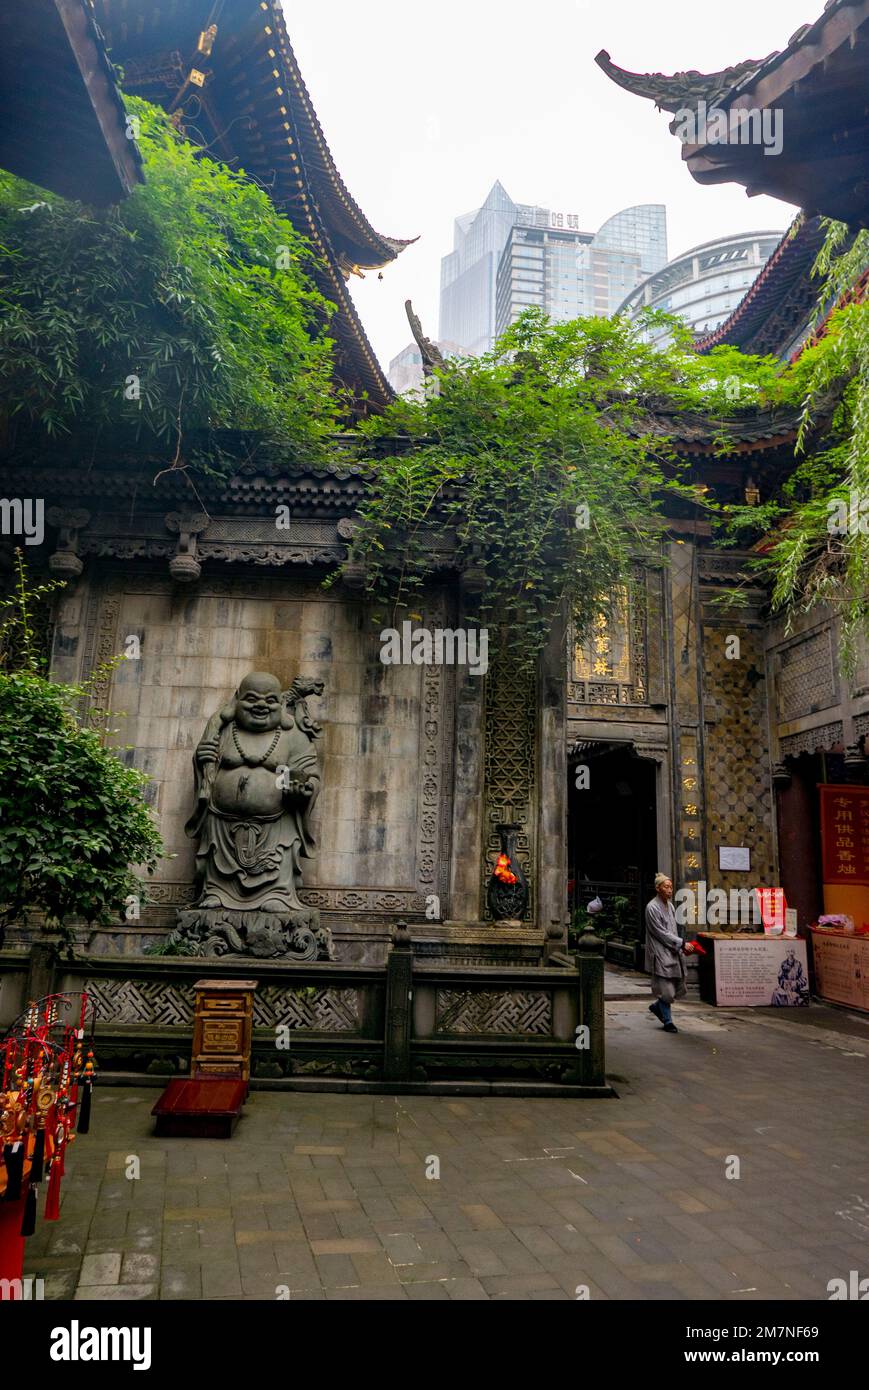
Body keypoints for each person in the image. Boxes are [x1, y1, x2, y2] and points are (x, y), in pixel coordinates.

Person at [644, 873, 688, 1034]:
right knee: (666, 990)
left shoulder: (670, 906)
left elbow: (672, 929)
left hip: (671, 950)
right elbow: (660, 933)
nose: (670, 890)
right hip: (660, 951)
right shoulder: (652, 907)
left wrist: (679, 946)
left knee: (674, 985)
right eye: (666, 887)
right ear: (658, 888)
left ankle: (657, 1007)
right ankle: (668, 1021)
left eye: (671, 887)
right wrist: (681, 943)